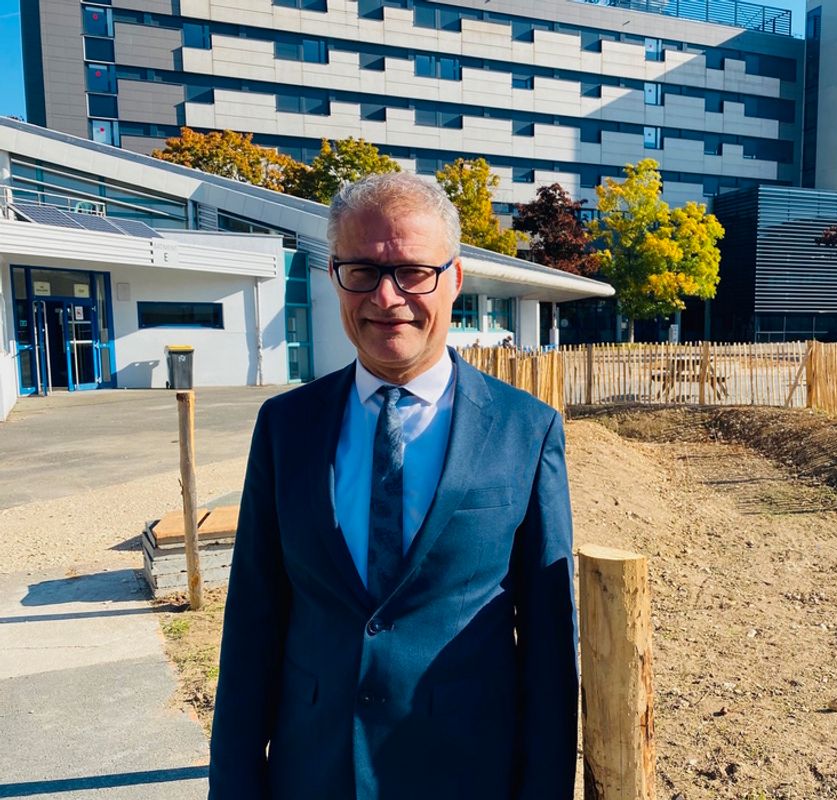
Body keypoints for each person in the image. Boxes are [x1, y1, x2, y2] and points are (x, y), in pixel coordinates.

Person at [208, 174, 578, 799]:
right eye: (362, 271)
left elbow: (548, 647)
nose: (387, 296)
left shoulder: (525, 430)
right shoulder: (285, 427)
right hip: (314, 773)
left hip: (467, 774)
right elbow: (252, 625)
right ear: (333, 277)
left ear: (455, 278)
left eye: (412, 271)